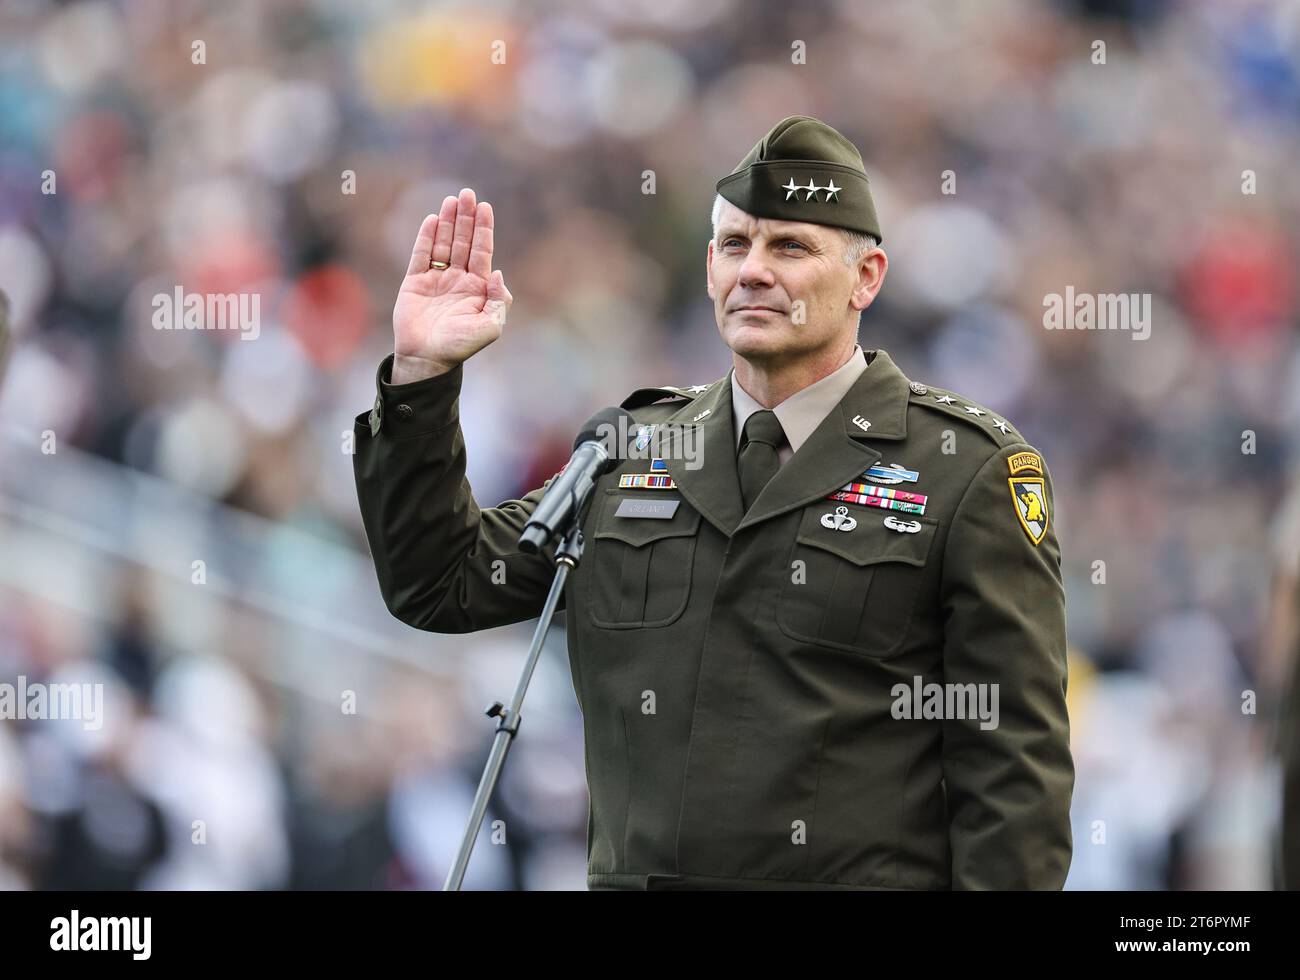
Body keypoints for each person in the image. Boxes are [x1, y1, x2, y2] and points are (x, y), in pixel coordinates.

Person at [353, 115, 1074, 890]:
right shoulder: (631, 452)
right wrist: (422, 379)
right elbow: (441, 581)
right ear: (708, 269)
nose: (754, 271)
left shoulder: (964, 471)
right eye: (736, 245)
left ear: (867, 277)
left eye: (790, 247)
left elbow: (1013, 782)